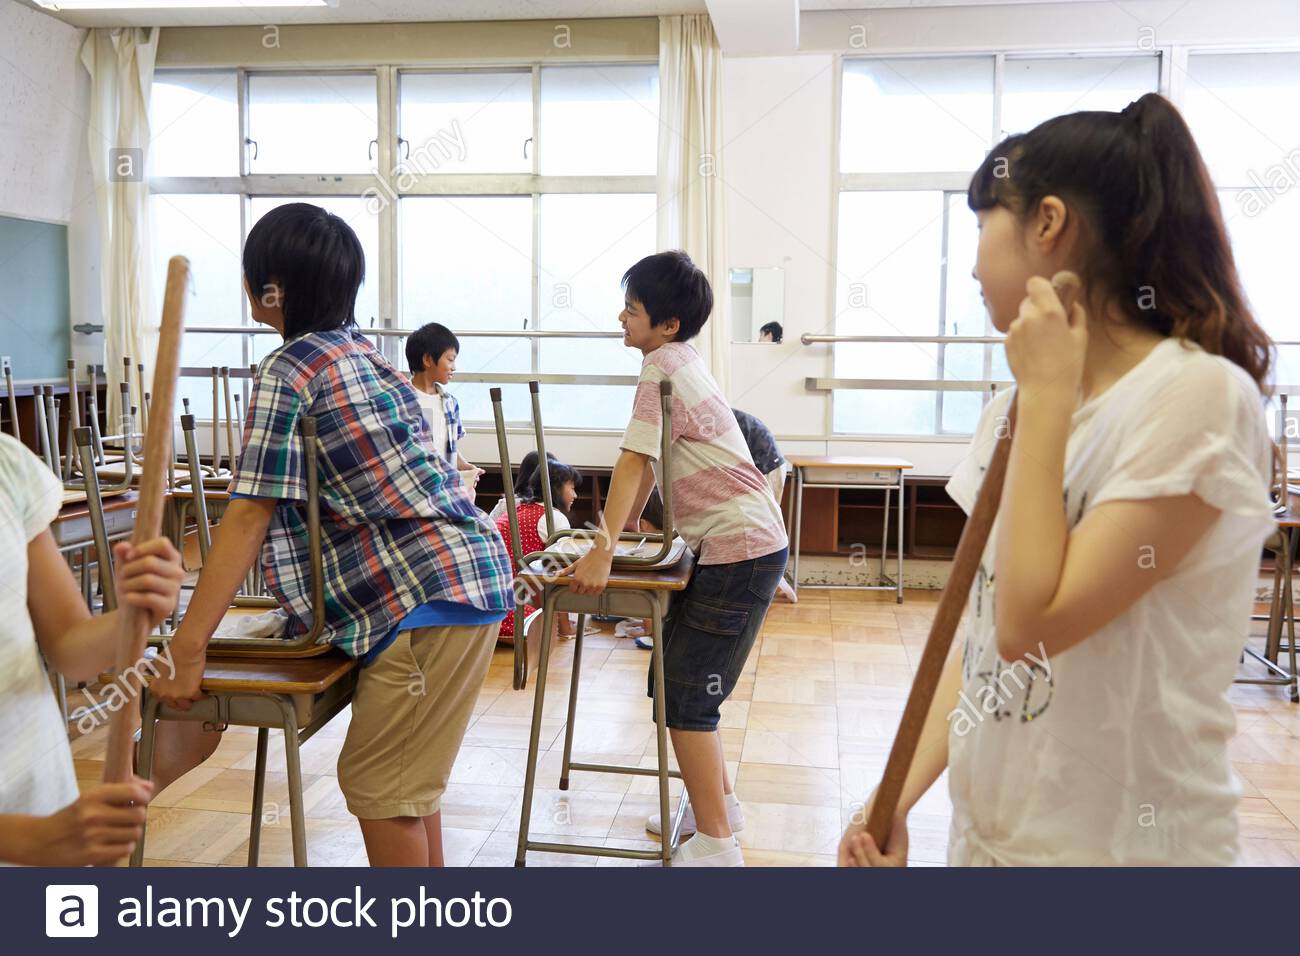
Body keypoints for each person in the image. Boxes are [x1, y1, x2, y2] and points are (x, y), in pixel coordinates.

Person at [839, 94, 1275, 868]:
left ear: (1047, 223)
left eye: (980, 228)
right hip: (995, 845)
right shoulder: (1018, 403)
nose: (972, 264)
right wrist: (894, 796)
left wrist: (1044, 398)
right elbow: (982, 648)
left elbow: (1031, 627)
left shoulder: (1198, 397)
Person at [148, 203, 514, 868]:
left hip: (424, 597)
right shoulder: (367, 359)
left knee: (382, 789)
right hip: (463, 579)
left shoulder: (288, 371)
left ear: (272, 288)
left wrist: (188, 644)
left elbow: (250, 513)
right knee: (408, 790)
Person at [560, 250, 790, 867]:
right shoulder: (680, 361)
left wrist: (602, 552)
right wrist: (625, 526)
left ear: (666, 324)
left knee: (688, 695)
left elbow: (632, 462)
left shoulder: (661, 368)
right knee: (679, 685)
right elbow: (644, 461)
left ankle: (717, 846)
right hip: (739, 546)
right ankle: (721, 809)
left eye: (631, 310)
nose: (621, 317)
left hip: (740, 550)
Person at [0, 433, 183, 866]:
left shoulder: (6, 466)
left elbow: (70, 649)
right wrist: (24, 839)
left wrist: (134, 616)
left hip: (45, 806)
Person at [495, 457, 583, 648]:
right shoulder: (553, 518)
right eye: (572, 488)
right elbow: (561, 572)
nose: (575, 495)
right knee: (561, 572)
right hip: (512, 611)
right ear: (557, 488)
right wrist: (565, 629)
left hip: (491, 605)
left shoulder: (515, 509)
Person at [404, 322, 483, 486]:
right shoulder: (402, 401)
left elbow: (447, 442)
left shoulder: (450, 403)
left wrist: (462, 465)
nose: (454, 367)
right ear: (427, 359)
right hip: (416, 488)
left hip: (445, 489)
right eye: (450, 359)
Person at [733, 408, 797, 603]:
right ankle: (774, 581)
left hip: (767, 465)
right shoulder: (712, 413)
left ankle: (774, 582)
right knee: (761, 530)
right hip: (768, 463)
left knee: (761, 531)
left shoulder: (706, 418)